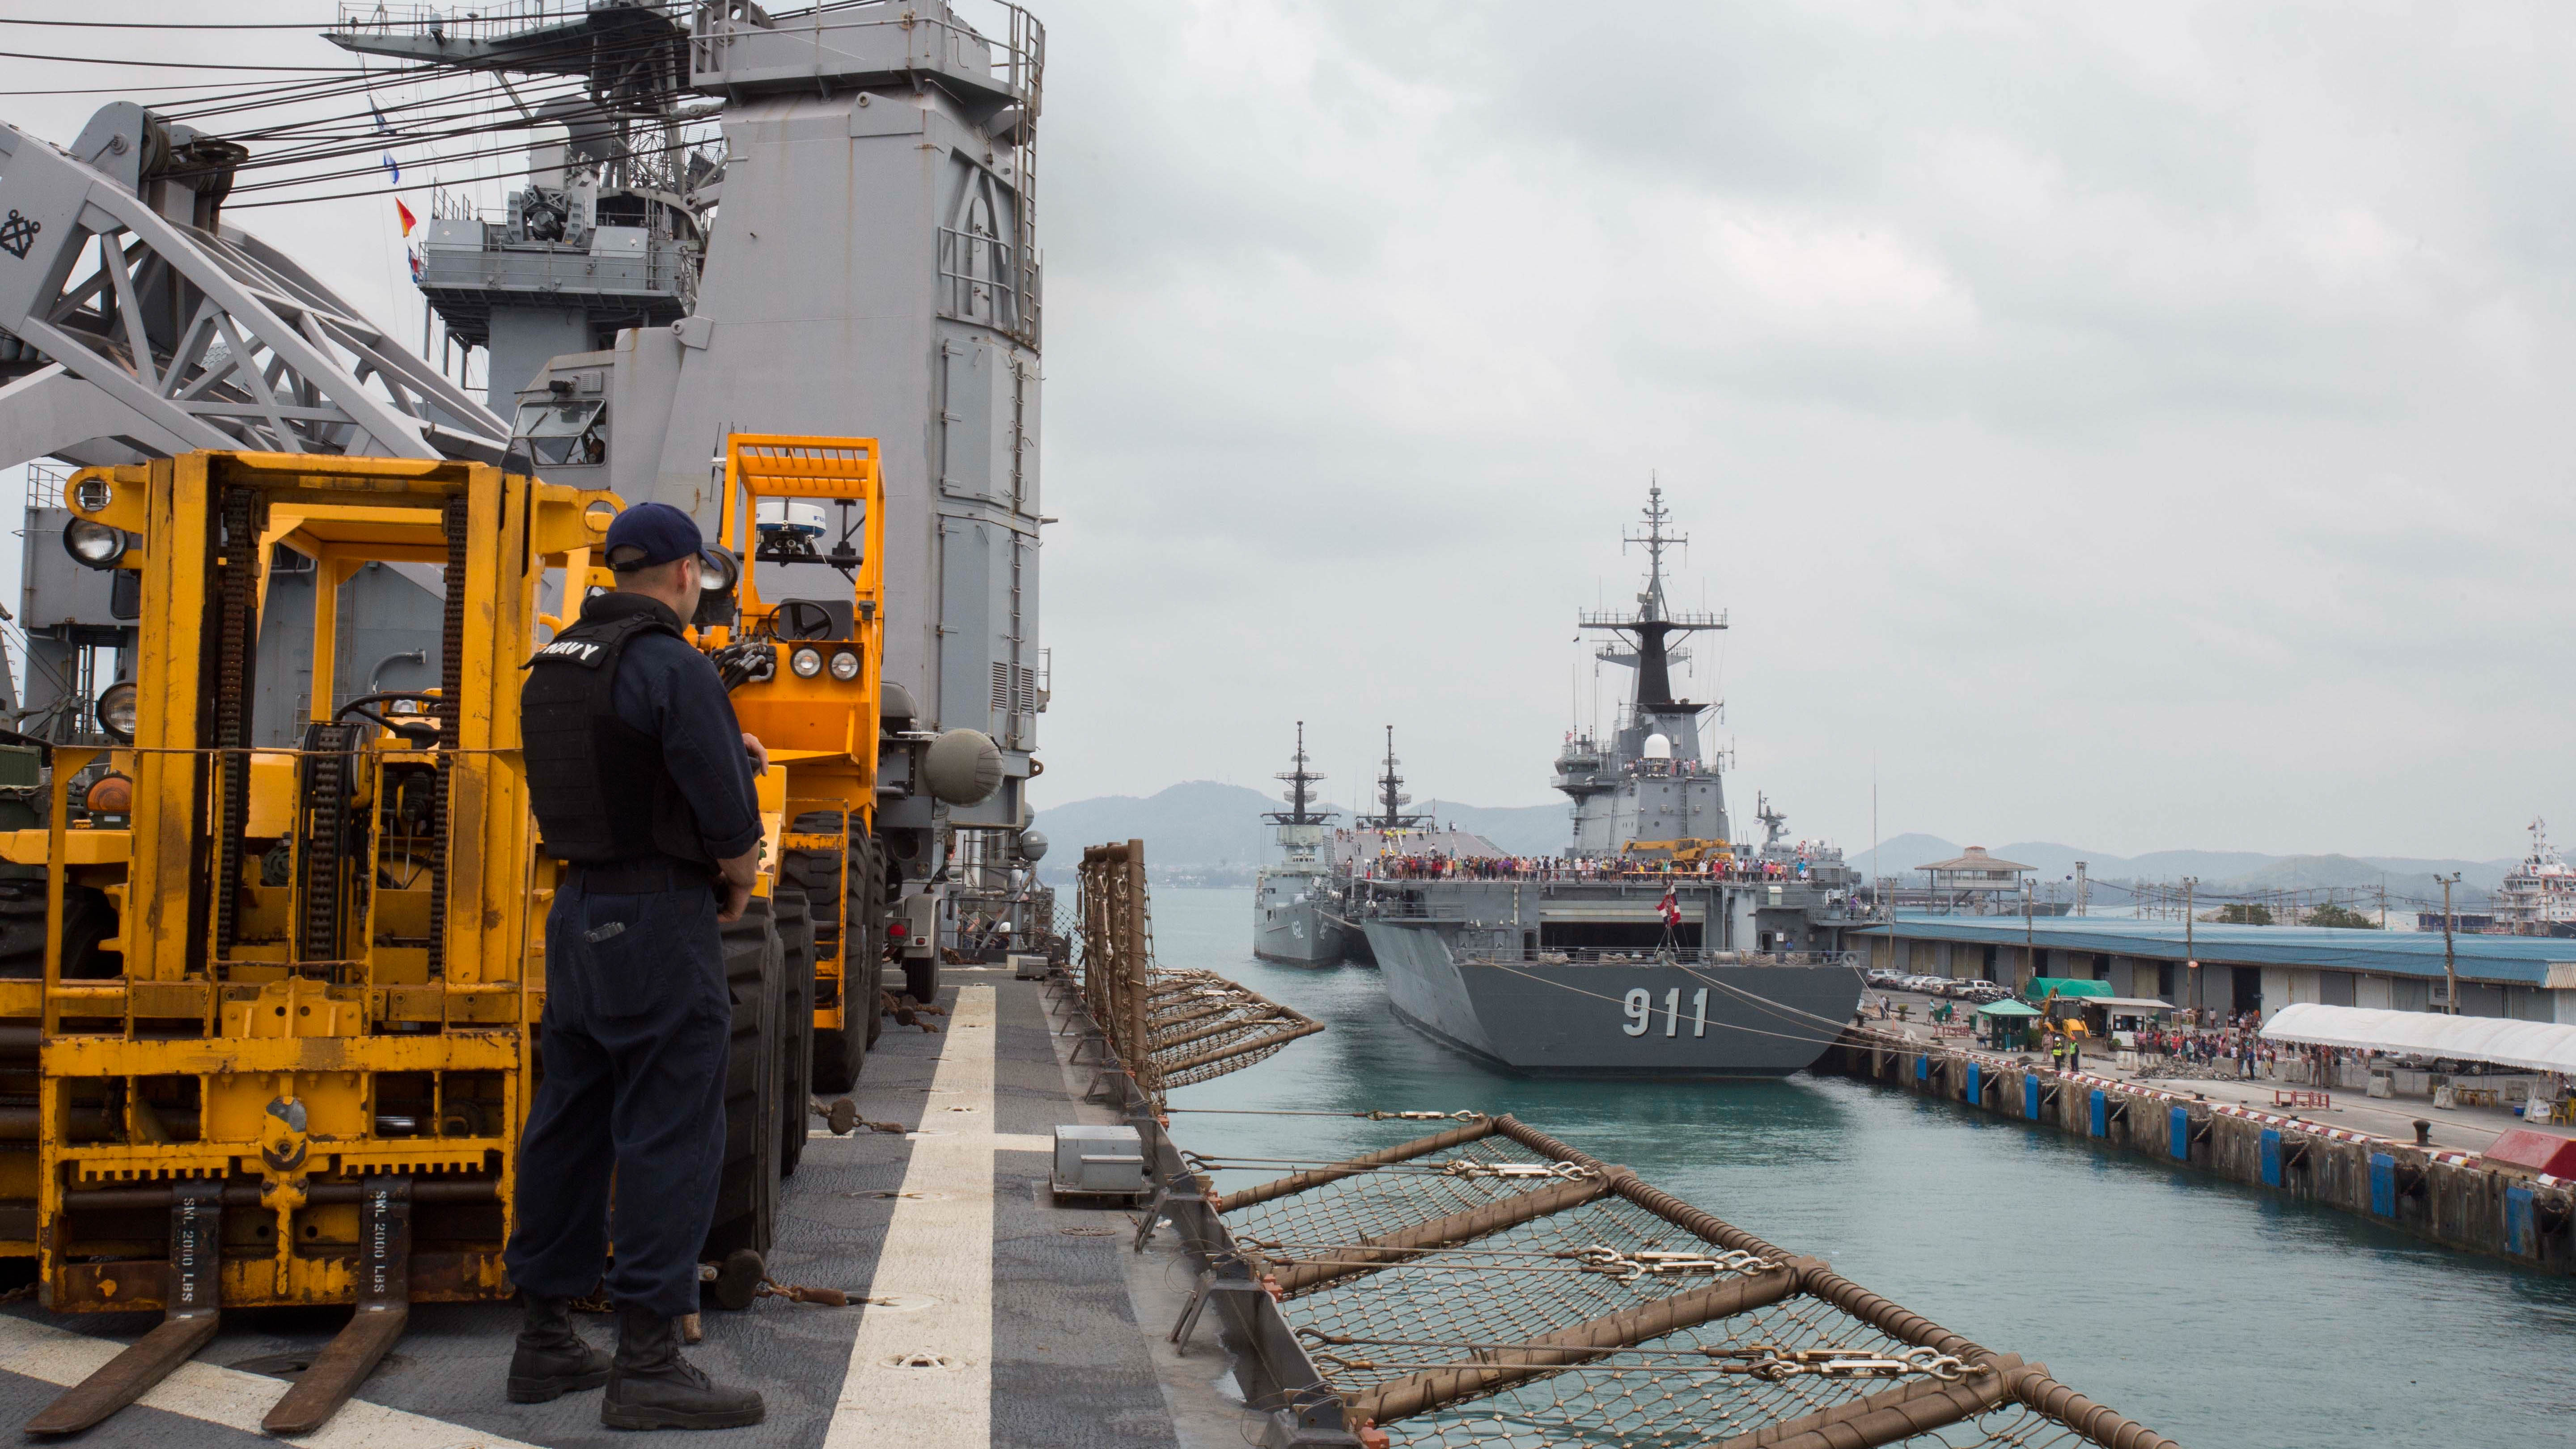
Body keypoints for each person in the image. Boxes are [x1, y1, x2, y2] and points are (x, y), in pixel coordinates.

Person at [506, 501, 770, 1431]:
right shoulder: (674, 663)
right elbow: (730, 821)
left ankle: (543, 1342)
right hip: (658, 916)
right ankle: (649, 1359)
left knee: (569, 1123)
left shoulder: (556, 664)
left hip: (577, 912)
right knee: (669, 1129)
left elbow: (612, 766)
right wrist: (738, 879)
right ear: (688, 574)